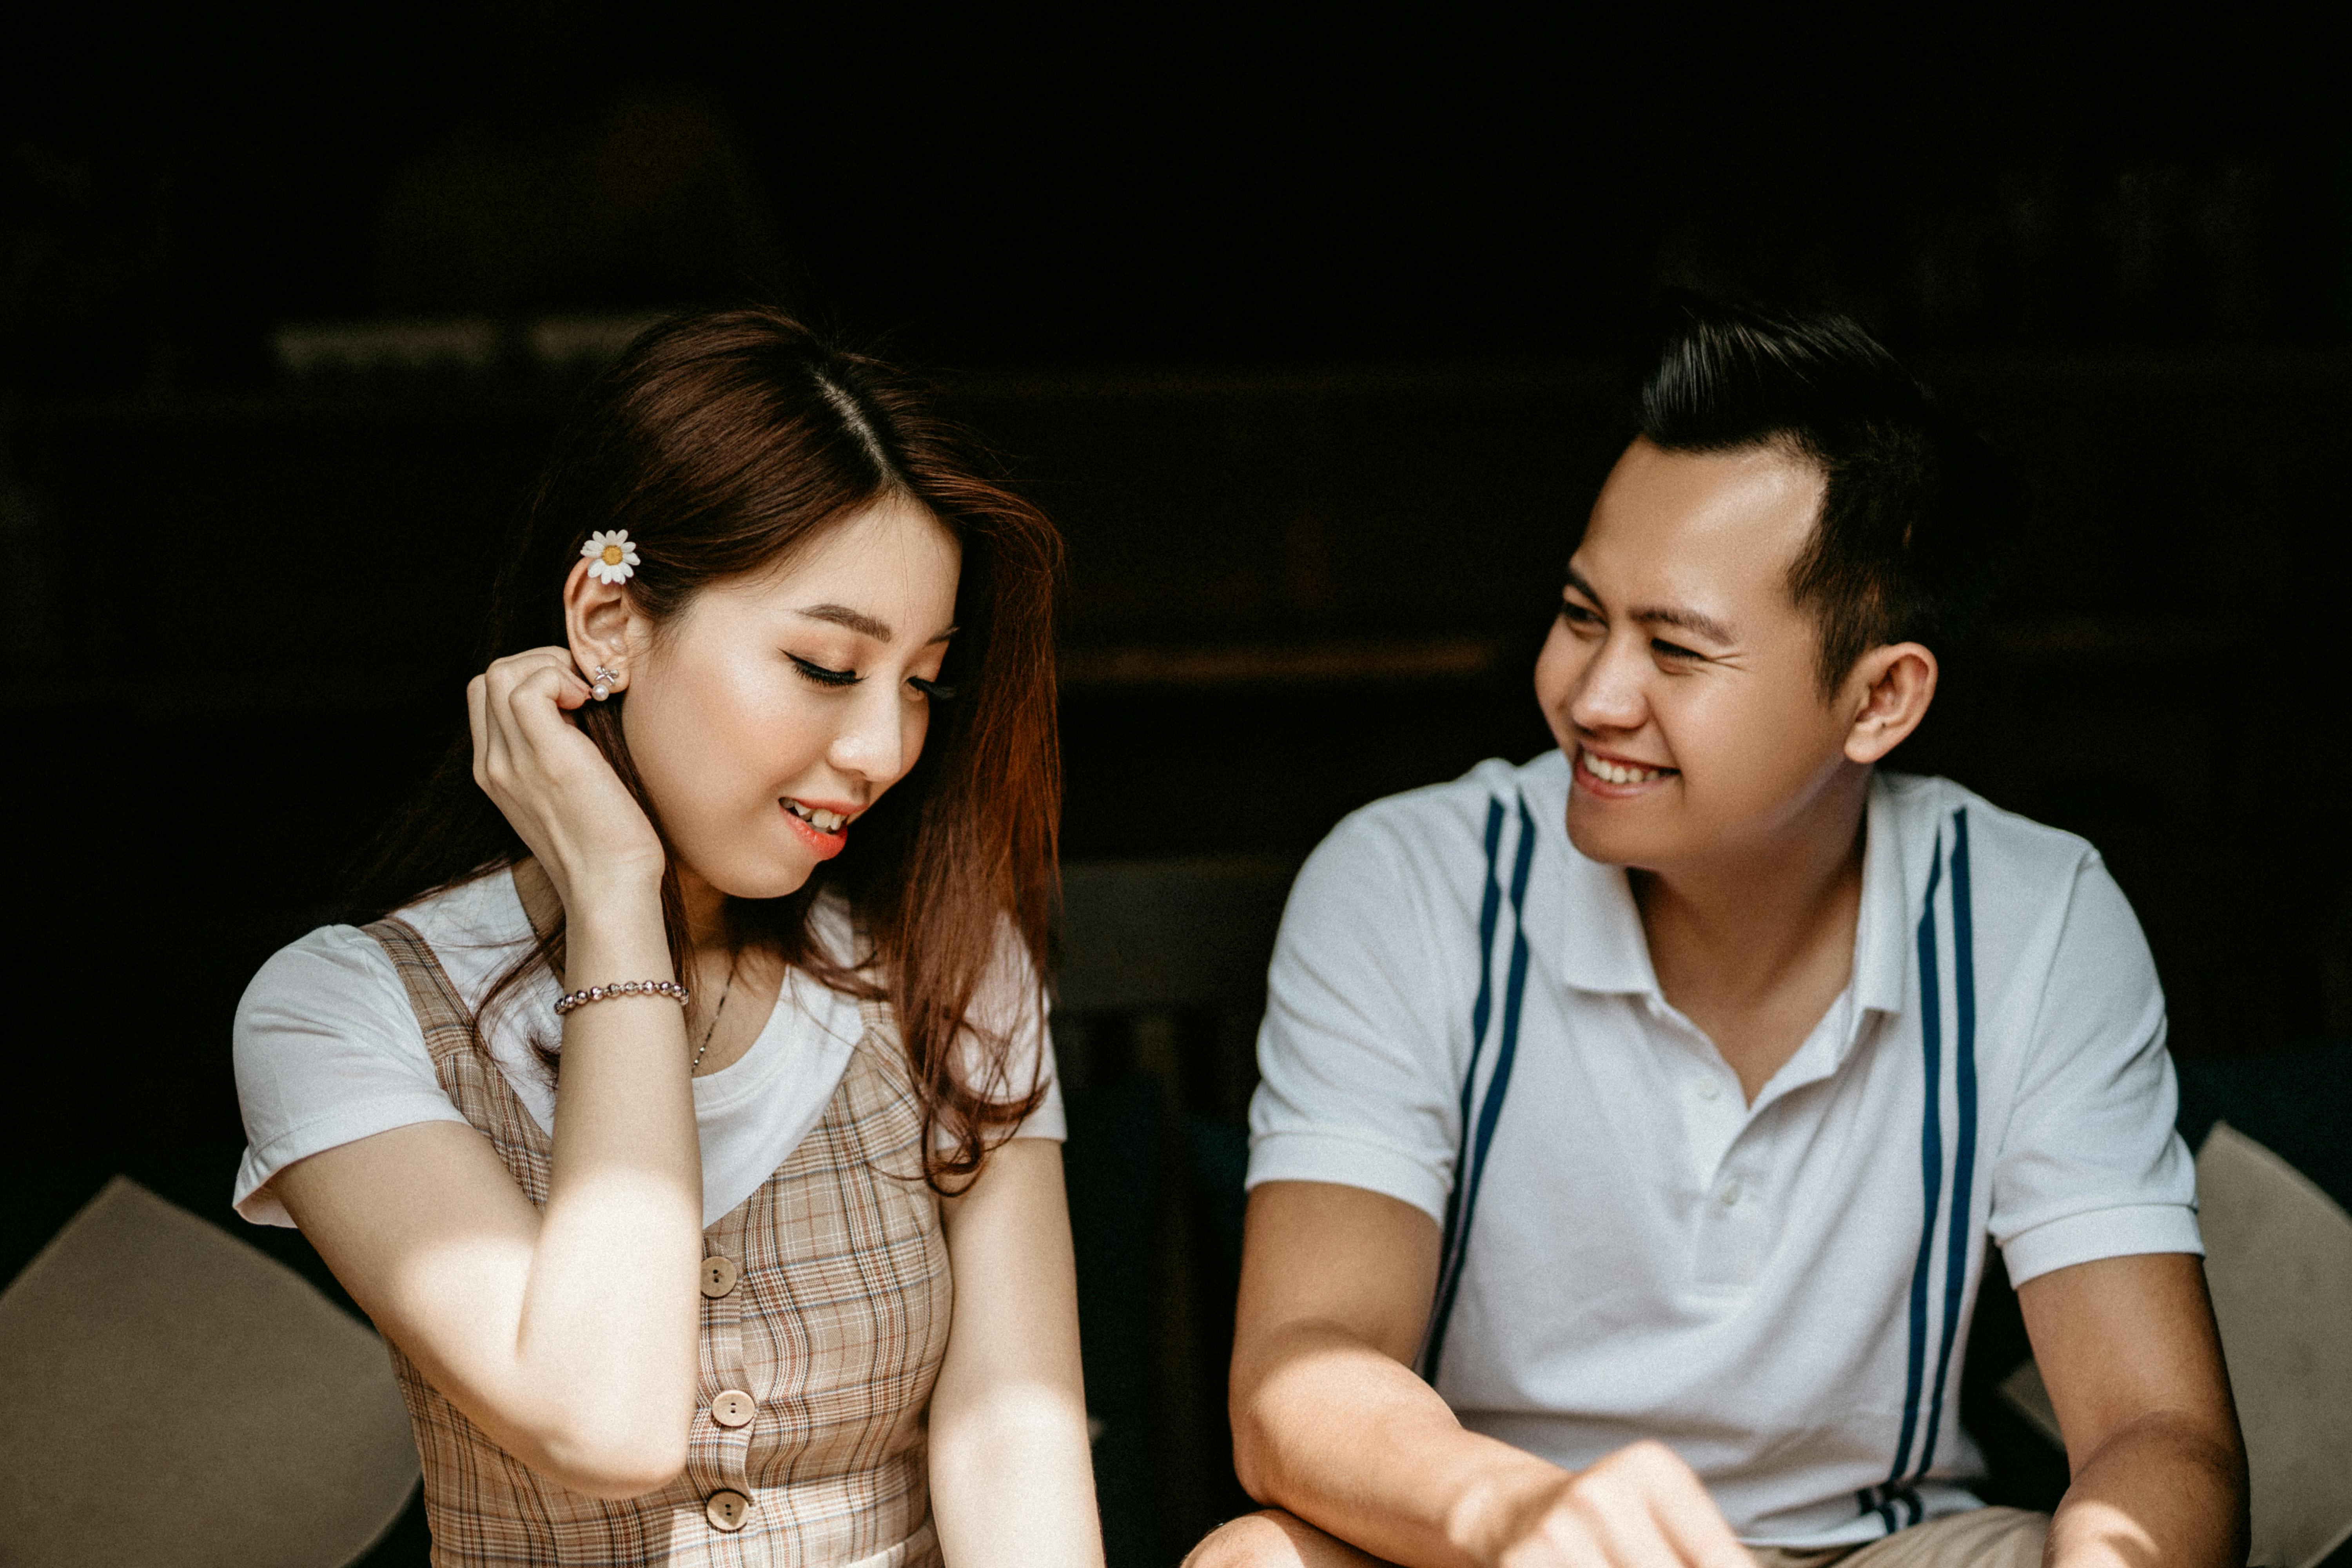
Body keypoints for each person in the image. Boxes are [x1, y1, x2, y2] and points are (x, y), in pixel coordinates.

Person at [1190, 296, 2247, 1568]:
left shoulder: (2032, 918)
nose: (1590, 696)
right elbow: (1306, 1365)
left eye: (1676, 650)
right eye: (1582, 616)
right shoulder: (1412, 883)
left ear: (1879, 700)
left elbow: (2157, 1427)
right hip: (1499, 1548)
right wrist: (1518, 1512)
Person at [231, 310, 1103, 1567]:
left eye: (922, 681)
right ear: (607, 619)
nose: (883, 750)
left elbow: (1013, 1450)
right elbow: (607, 1423)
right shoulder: (338, 1013)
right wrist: (612, 890)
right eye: (823, 665)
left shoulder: (950, 965)